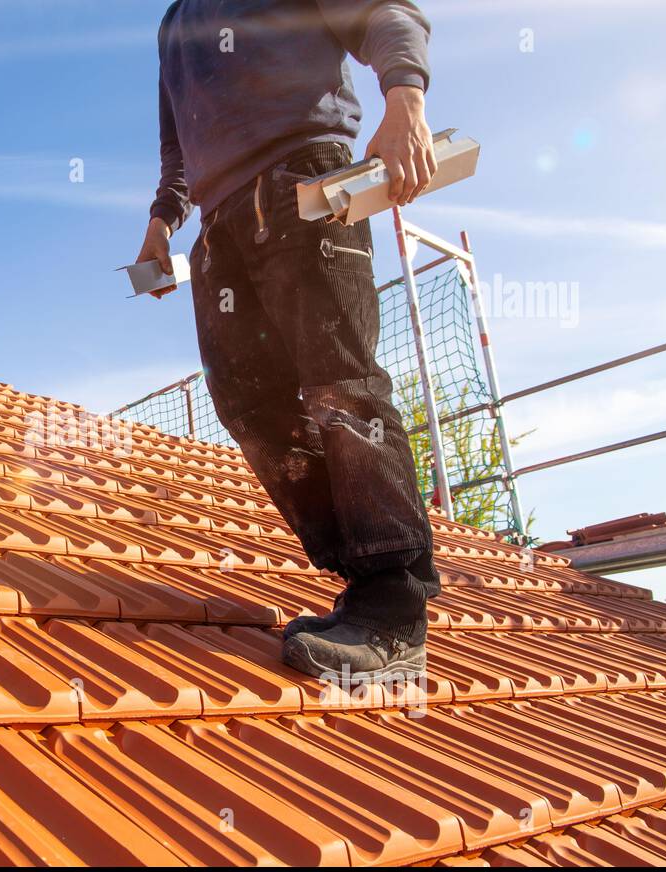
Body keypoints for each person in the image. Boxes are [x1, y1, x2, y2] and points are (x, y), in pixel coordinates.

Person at [137, 0, 442, 684]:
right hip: (218, 221)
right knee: (247, 402)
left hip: (307, 179)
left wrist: (406, 100)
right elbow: (177, 146)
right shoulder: (173, 24)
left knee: (341, 385)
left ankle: (394, 609)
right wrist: (163, 221)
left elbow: (384, 14)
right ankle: (360, 581)